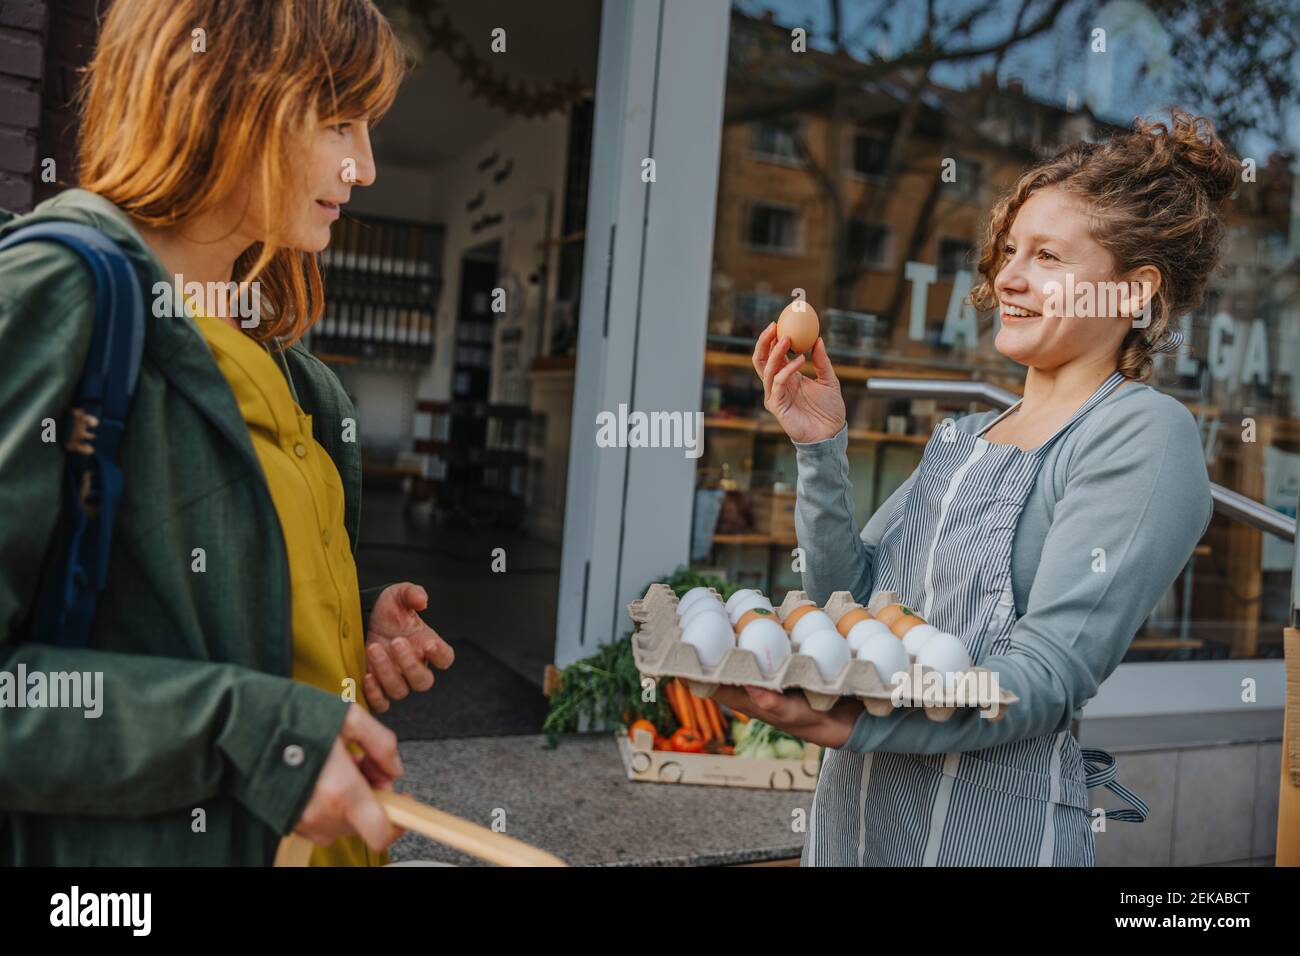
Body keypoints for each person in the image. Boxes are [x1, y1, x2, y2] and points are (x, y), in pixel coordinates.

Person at [715, 108, 1234, 866]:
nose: (1008, 278)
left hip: (989, 837)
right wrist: (820, 445)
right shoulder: (966, 436)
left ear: (1133, 293)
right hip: (857, 821)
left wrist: (856, 721)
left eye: (1048, 256)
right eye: (1009, 251)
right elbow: (846, 609)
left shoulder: (1143, 436)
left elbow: (1047, 676)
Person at [0, 0, 452, 866]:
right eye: (336, 122)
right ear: (222, 97)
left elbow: (160, 612)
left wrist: (339, 628)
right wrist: (250, 731)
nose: (362, 167)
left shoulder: (279, 361)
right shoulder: (55, 297)